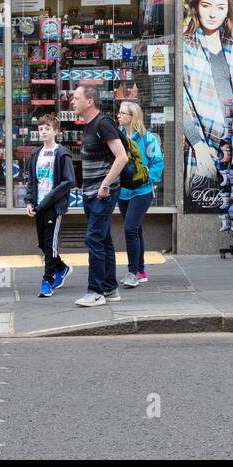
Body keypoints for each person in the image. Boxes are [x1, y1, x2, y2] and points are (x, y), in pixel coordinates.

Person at [182, 0, 233, 207]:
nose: (212, 14)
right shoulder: (186, 46)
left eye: (220, 7)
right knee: (202, 198)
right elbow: (180, 101)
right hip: (198, 142)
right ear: (196, 7)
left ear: (228, 11)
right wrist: (197, 143)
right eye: (206, 5)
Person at [72, 82, 129, 308]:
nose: (72, 101)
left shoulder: (103, 124)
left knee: (93, 238)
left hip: (103, 193)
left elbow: (122, 157)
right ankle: (110, 288)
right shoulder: (88, 126)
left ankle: (95, 291)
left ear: (90, 101)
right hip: (91, 193)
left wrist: (105, 185)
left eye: (76, 98)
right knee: (103, 239)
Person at [26, 113, 76, 298]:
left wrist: (46, 201)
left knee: (50, 244)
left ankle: (48, 280)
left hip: (54, 207)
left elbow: (68, 181)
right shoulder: (36, 154)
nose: (43, 132)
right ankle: (62, 268)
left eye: (47, 128)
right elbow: (32, 180)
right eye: (40, 129)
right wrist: (30, 202)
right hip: (39, 206)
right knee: (42, 243)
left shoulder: (62, 153)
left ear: (56, 131)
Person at [117, 100, 165, 288]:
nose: (119, 116)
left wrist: (145, 178)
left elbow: (158, 163)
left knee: (130, 229)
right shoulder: (118, 137)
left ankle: (132, 272)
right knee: (135, 229)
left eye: (123, 113)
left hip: (142, 191)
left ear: (132, 117)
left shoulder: (148, 138)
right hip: (123, 192)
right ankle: (141, 270)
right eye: (119, 113)